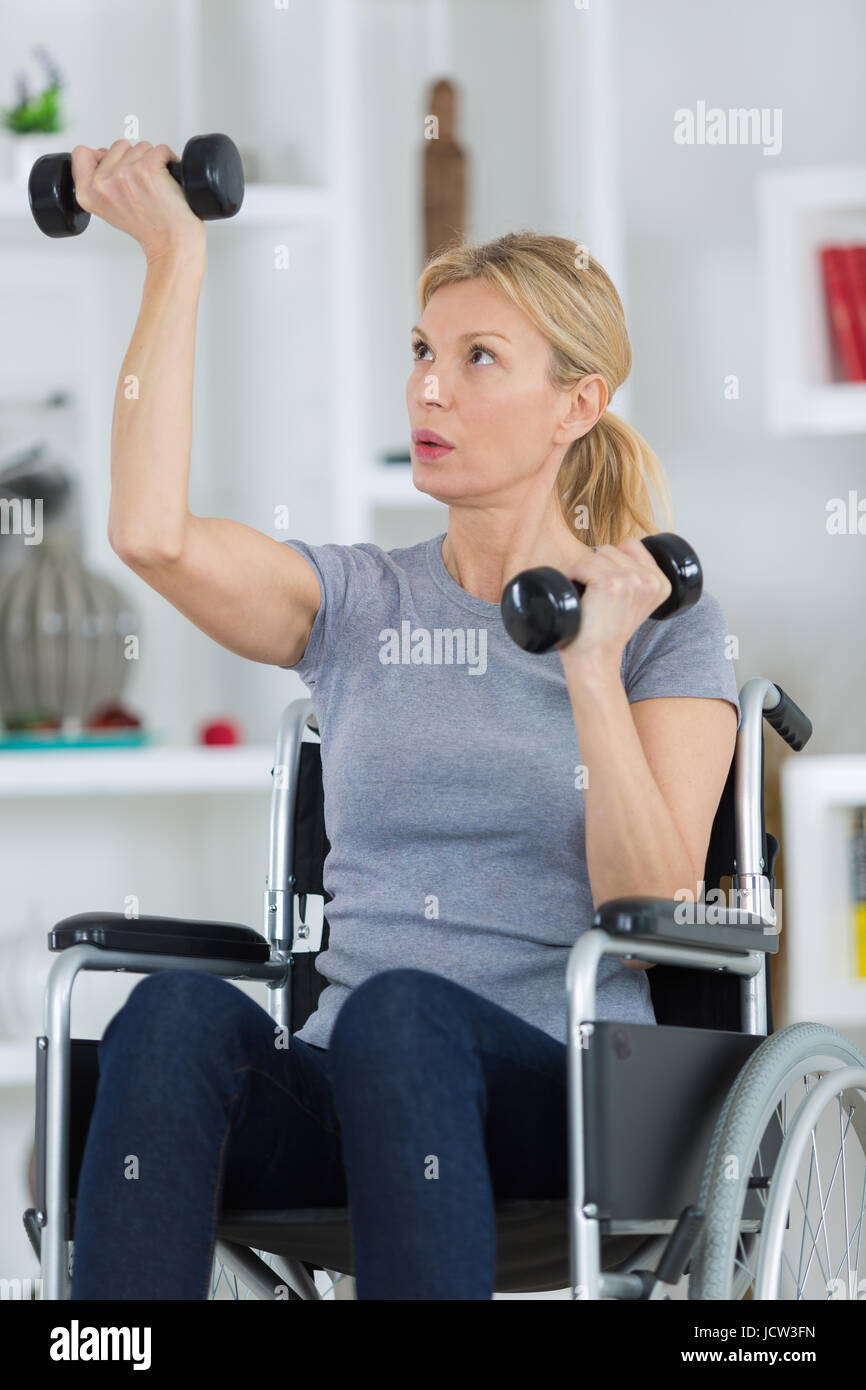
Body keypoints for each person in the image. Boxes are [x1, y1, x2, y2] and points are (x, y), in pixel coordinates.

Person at [68, 140, 739, 1300]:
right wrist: (175, 256)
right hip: (353, 1088)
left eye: (478, 359)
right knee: (173, 1013)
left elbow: (654, 901)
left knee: (400, 1018)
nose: (429, 387)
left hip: (568, 1100)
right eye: (423, 352)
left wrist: (588, 666)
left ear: (574, 404)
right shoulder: (359, 603)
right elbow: (151, 537)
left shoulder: (662, 621)